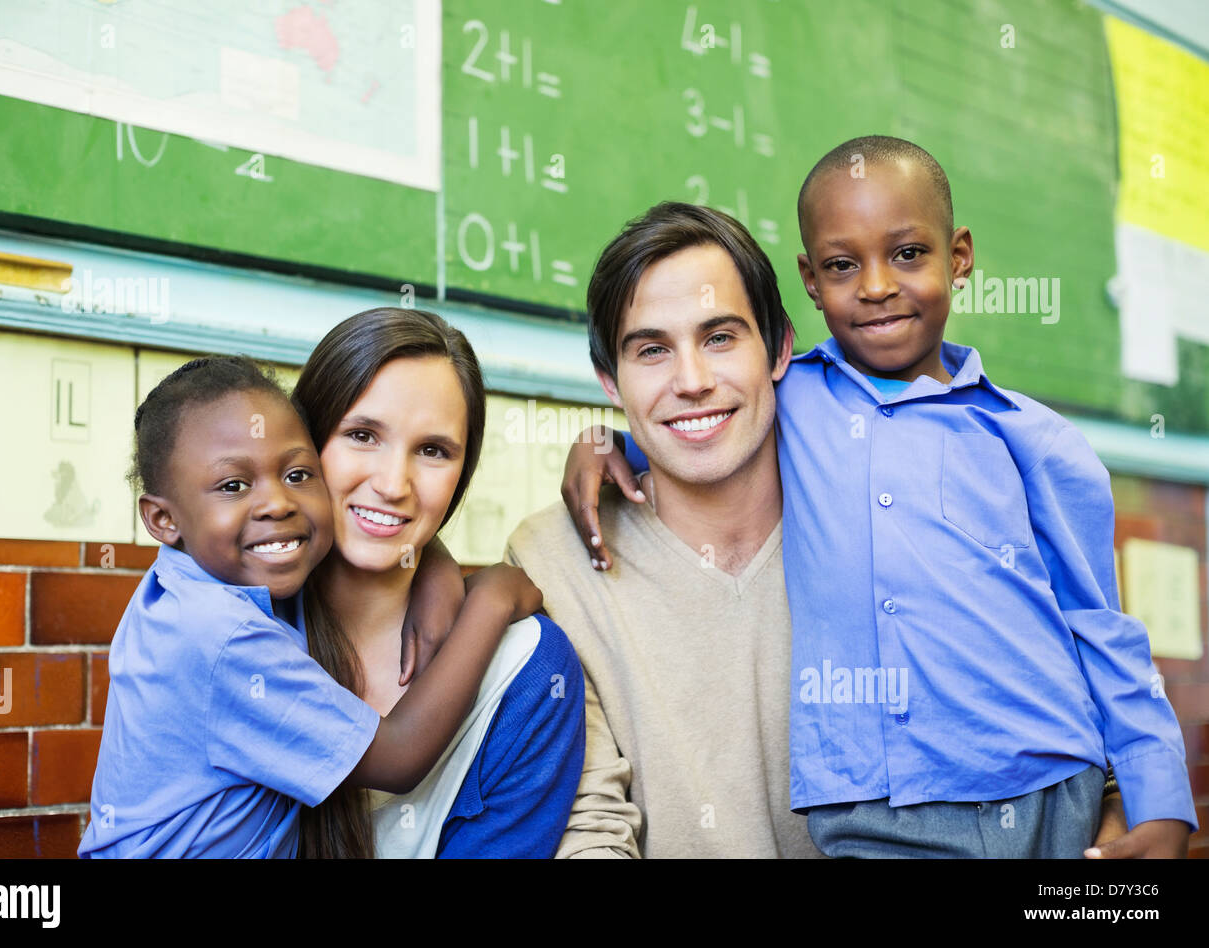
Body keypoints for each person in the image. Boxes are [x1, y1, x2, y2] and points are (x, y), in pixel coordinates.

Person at [562, 137, 1196, 857]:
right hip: (872, 806)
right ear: (809, 277)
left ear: (958, 258)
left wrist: (1160, 801)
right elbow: (693, 420)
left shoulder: (1035, 441)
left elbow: (1102, 628)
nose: (874, 286)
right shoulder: (787, 396)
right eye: (841, 265)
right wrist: (605, 444)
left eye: (907, 254)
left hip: (1049, 788)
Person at [79, 355, 541, 858]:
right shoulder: (223, 636)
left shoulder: (199, 580)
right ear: (163, 520)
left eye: (298, 474)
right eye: (233, 485)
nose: (278, 503)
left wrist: (432, 563)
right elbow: (399, 758)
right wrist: (492, 600)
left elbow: (380, 525)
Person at [506, 202, 822, 857]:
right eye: (652, 351)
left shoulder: (863, 512)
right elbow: (589, 824)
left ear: (780, 348)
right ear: (610, 383)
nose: (693, 382)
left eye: (720, 338)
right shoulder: (551, 560)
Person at [292, 308, 584, 859]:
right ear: (303, 443)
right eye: (361, 435)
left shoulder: (526, 672)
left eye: (433, 451)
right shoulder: (234, 622)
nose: (393, 484)